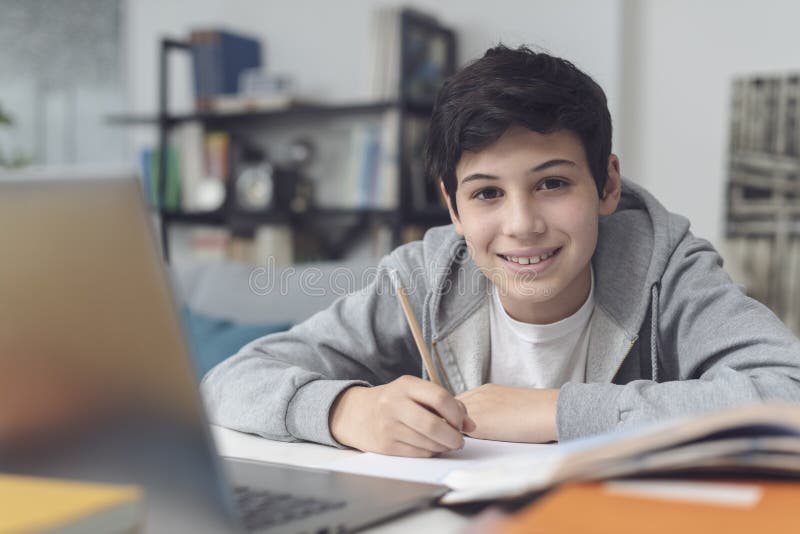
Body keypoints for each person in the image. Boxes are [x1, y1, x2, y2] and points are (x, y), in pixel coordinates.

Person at [201, 44, 800, 457]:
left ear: (607, 184)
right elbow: (228, 381)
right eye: (487, 193)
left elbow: (788, 394)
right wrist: (346, 412)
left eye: (553, 183)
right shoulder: (420, 277)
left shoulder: (669, 269)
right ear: (453, 208)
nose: (521, 224)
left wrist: (550, 412)